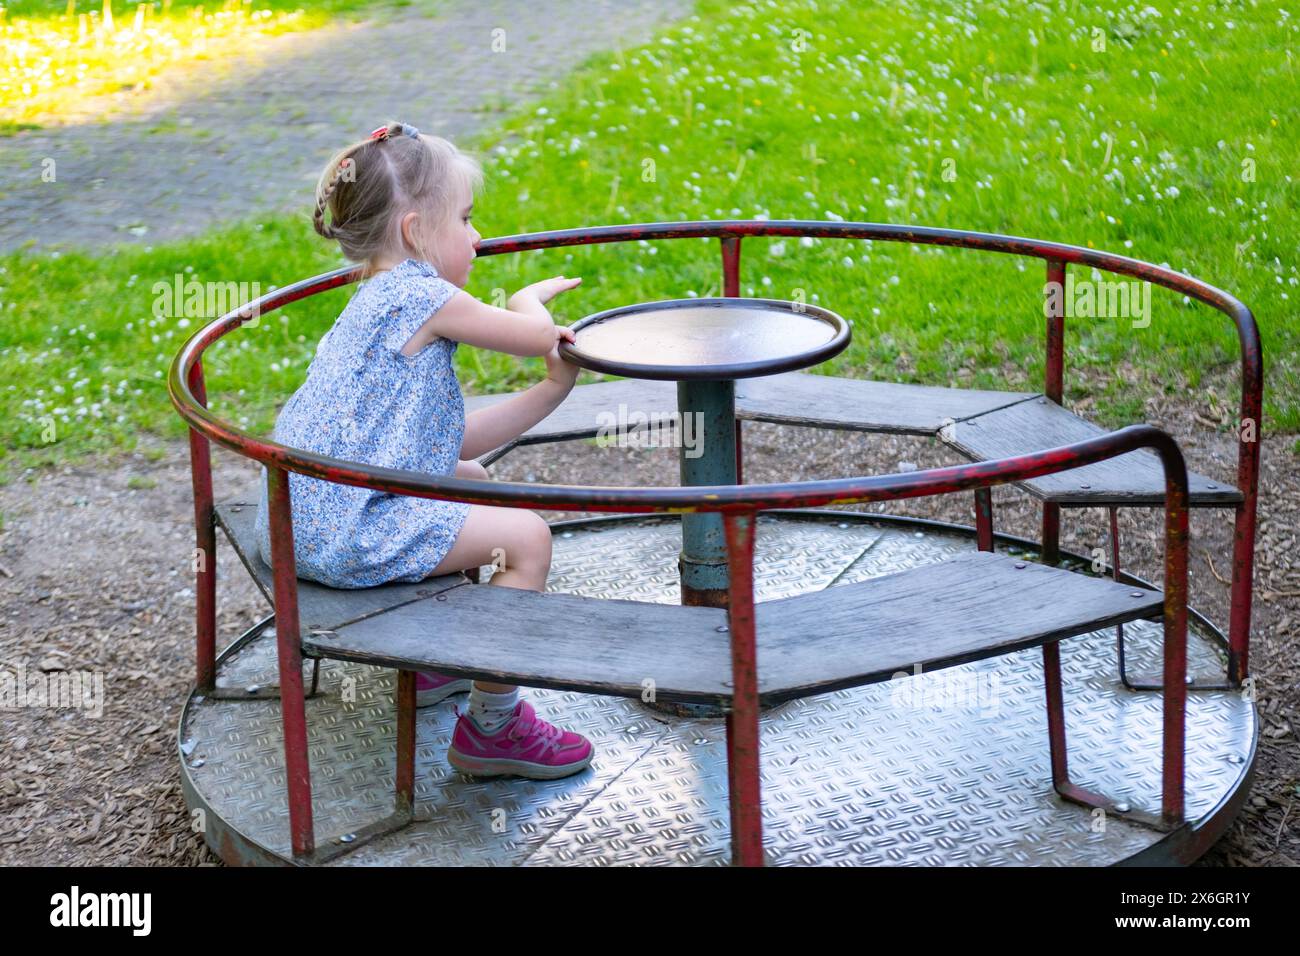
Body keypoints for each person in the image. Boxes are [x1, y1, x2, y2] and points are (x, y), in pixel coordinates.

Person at [252, 121, 593, 780]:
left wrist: (553, 390)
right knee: (528, 538)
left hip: (299, 520)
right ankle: (495, 728)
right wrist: (530, 305)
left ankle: (438, 659)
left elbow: (441, 443)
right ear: (414, 232)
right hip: (347, 533)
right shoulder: (423, 295)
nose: (476, 237)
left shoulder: (373, 299)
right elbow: (532, 335)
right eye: (464, 220)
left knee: (464, 474)